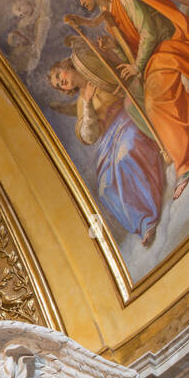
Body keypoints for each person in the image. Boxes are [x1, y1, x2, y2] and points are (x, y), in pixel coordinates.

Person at [66, 0, 189, 199]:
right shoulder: (109, 15)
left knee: (154, 102)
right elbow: (130, 53)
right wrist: (114, 48)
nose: (82, 2)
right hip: (150, 59)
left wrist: (136, 66)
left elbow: (150, 32)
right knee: (131, 104)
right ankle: (169, 148)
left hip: (167, 46)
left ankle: (184, 160)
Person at [49, 47, 165, 246]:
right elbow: (89, 135)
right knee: (105, 187)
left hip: (127, 116)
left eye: (59, 75)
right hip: (109, 136)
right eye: (59, 85)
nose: (62, 82)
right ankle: (143, 223)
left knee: (125, 154)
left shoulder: (94, 67)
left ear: (65, 66)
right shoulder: (80, 103)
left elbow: (120, 75)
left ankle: (152, 205)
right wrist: (87, 104)